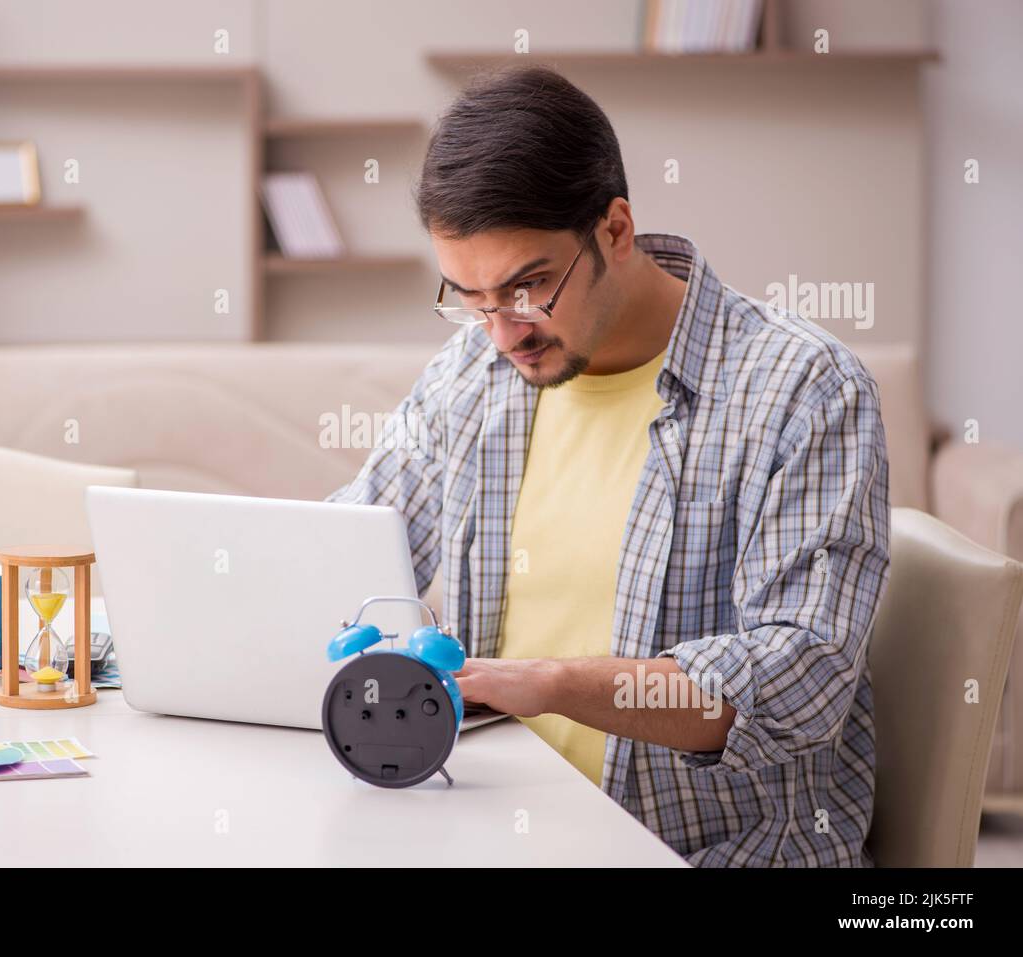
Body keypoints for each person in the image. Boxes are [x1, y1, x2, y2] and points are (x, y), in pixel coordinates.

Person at [328, 66, 891, 867]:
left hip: (708, 853)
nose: (502, 333)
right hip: (489, 832)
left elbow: (803, 677)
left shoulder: (802, 388)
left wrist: (553, 682)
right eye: (472, 297)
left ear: (616, 229)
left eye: (527, 287)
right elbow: (353, 542)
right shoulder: (470, 374)